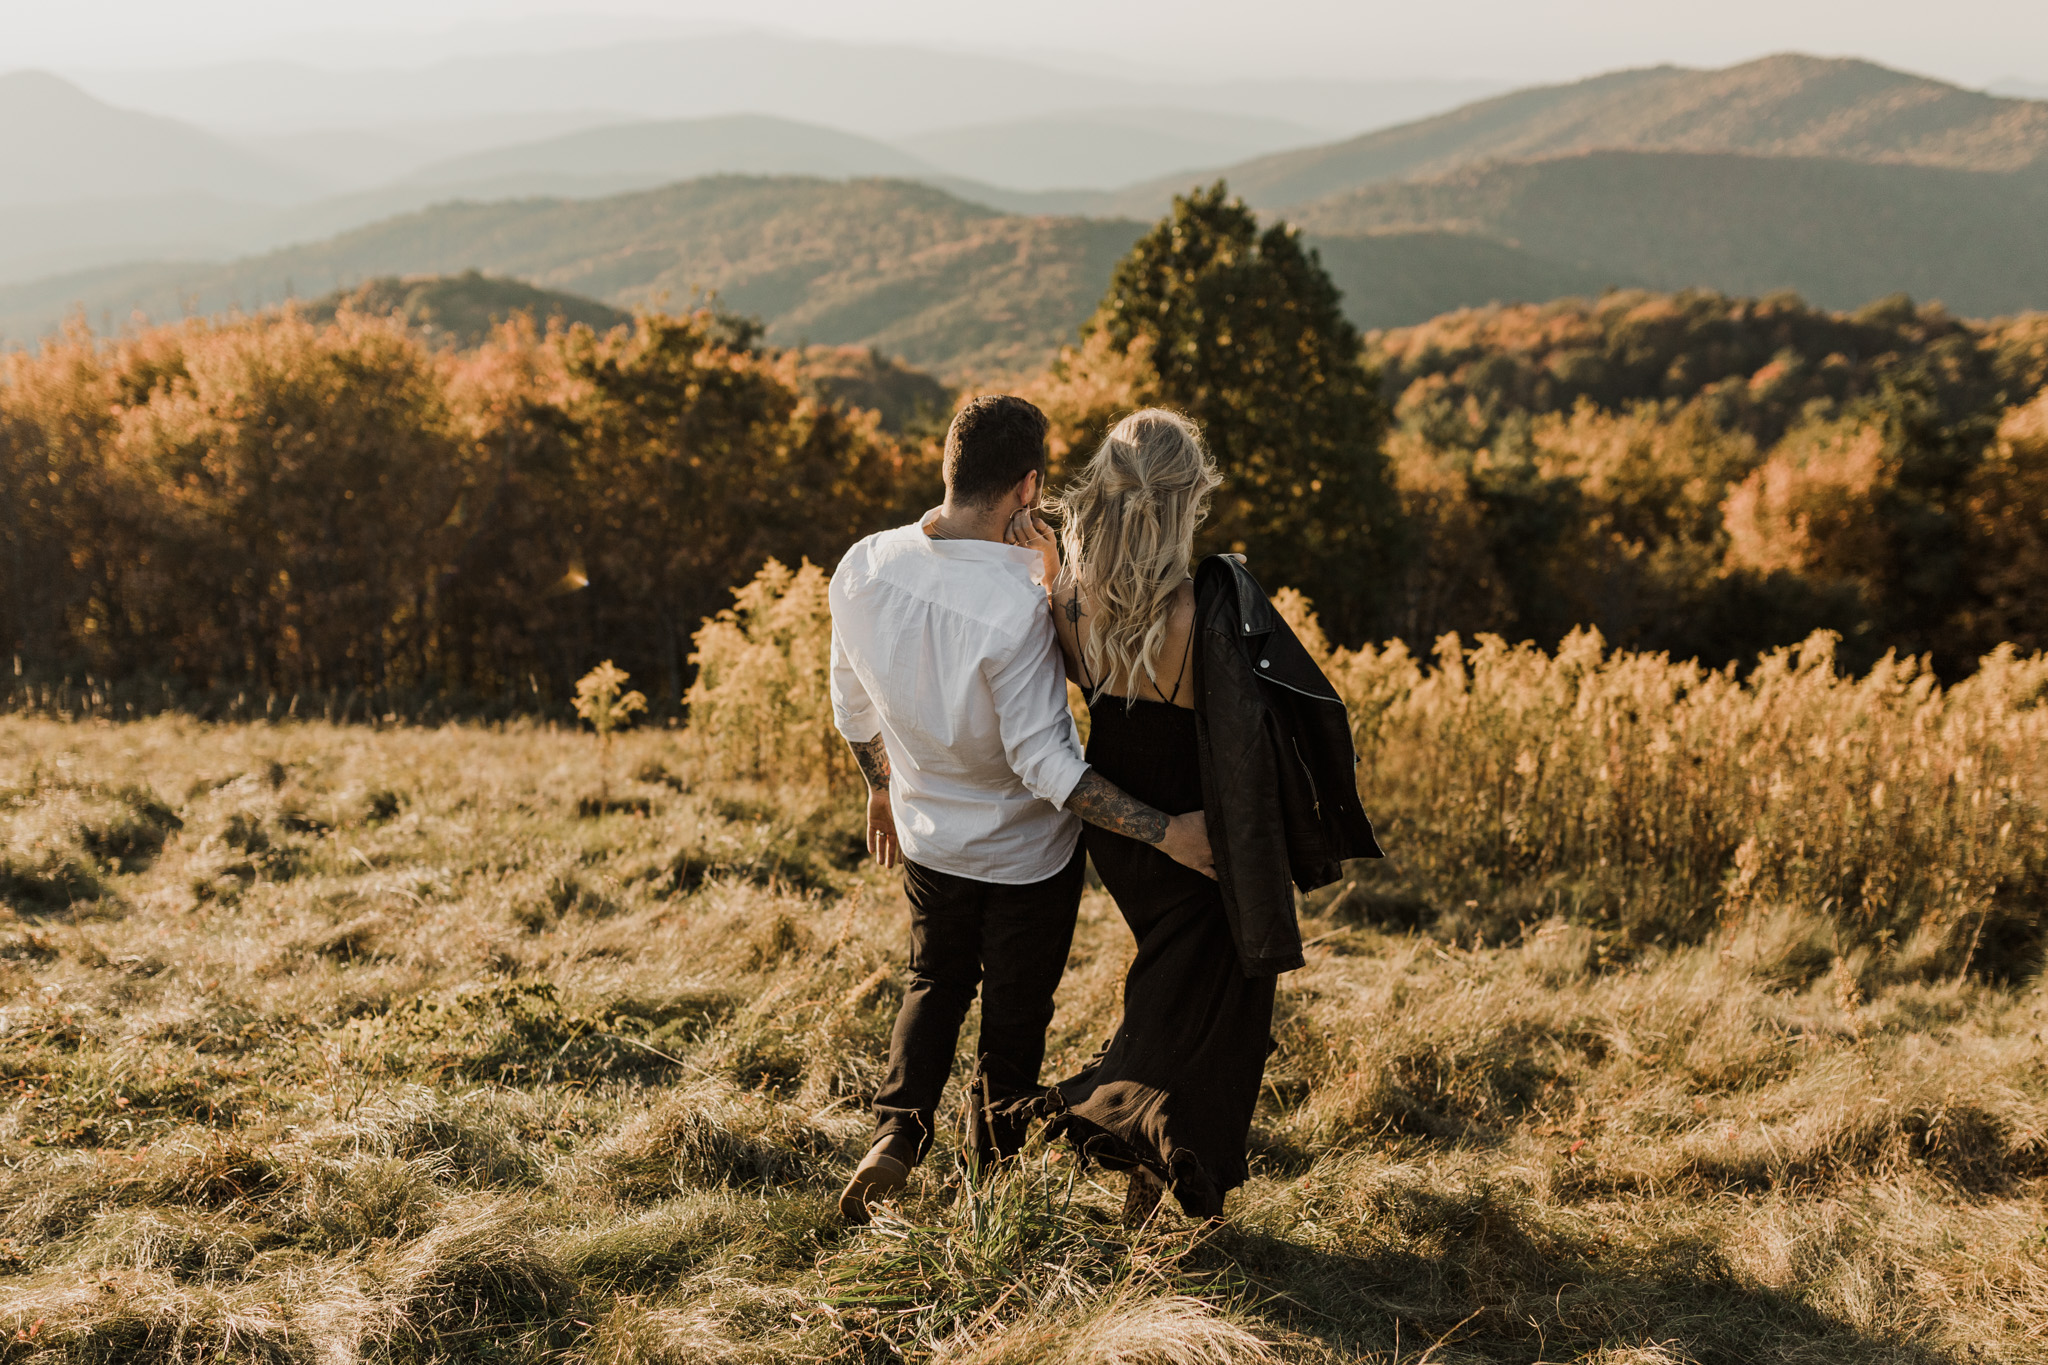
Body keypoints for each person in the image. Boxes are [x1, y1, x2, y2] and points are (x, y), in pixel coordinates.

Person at [827, 394, 1216, 1225]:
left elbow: (851, 707)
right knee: (1014, 1014)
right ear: (1029, 487)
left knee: (932, 978)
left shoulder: (862, 564)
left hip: (927, 832)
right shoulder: (1017, 606)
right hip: (1025, 856)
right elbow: (1049, 767)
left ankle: (896, 1135)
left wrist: (879, 788)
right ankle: (988, 1176)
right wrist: (1169, 831)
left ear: (947, 465)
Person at [1001, 408, 1383, 1225]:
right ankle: (1090, 1128)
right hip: (1193, 827)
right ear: (1183, 501)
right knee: (1215, 1016)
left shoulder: (1068, 597)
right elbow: (1245, 735)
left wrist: (1053, 559)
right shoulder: (1193, 610)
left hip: (1122, 825)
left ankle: (1148, 1185)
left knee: (1172, 993)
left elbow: (1077, 682)